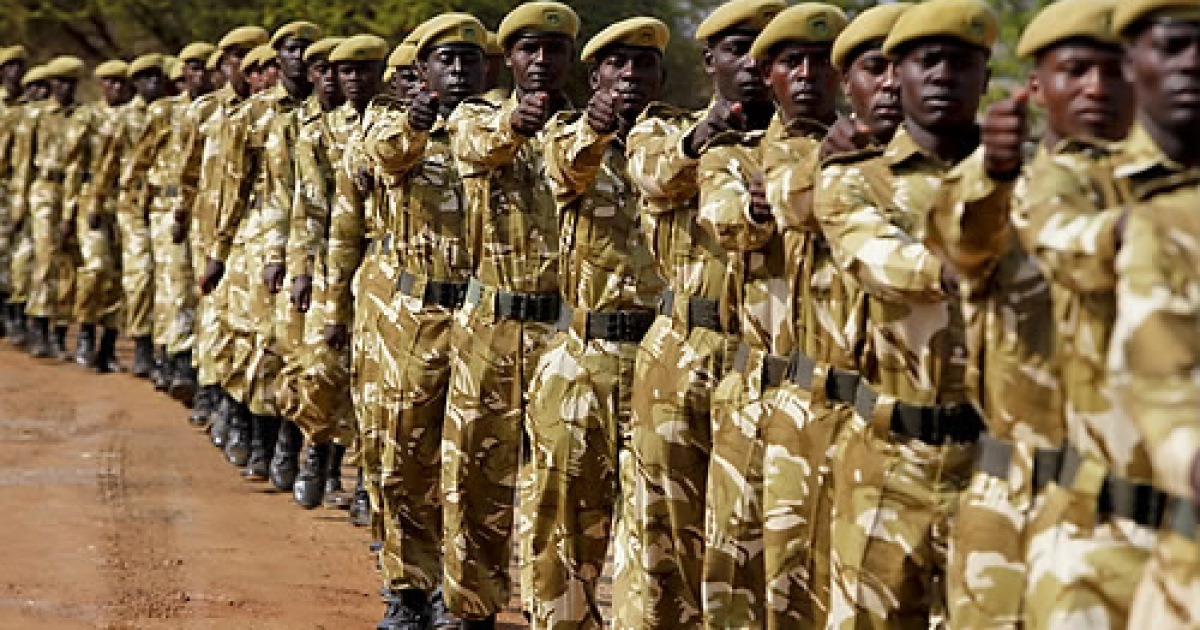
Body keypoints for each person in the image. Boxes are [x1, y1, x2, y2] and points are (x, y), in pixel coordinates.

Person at [929, 1, 1135, 625]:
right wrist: (995, 172)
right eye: (1077, 71)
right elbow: (961, 249)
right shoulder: (992, 183)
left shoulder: (1165, 187)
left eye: (1115, 71)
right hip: (1011, 499)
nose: (1097, 87)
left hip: (1128, 511)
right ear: (1039, 88)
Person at [814, 1, 997, 625]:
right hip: (890, 458)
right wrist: (966, 266)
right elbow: (880, 263)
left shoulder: (1031, 181)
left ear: (986, 76)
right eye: (928, 61)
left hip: (996, 466)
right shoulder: (854, 179)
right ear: (898, 74)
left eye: (962, 63)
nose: (944, 75)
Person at [622, 1, 780, 626]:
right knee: (663, 525)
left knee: (749, 533)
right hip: (680, 349)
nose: (752, 63)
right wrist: (705, 135)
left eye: (765, 50)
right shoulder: (663, 132)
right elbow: (654, 176)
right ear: (708, 59)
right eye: (737, 48)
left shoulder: (813, 145)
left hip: (765, 361)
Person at [522, 15, 669, 628]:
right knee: (565, 530)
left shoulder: (680, 143)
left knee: (657, 531)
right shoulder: (564, 135)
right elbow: (562, 173)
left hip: (661, 361)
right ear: (595, 76)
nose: (631, 76)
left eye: (644, 65)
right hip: (582, 357)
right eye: (618, 65)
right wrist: (598, 129)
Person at [438, 3, 578, 625]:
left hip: (565, 330)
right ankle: (472, 607)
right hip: (488, 325)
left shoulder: (590, 129)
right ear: (510, 59)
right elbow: (479, 147)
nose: (542, 61)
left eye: (554, 50)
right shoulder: (476, 116)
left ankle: (557, 610)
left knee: (561, 485)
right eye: (529, 50)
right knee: (473, 475)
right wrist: (519, 124)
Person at [170, 26, 268, 435]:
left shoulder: (270, 114)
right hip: (207, 224)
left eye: (253, 60)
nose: (244, 69)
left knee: (241, 316)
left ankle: (232, 395)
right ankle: (211, 391)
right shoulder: (205, 111)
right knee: (213, 309)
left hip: (252, 227)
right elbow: (188, 170)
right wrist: (180, 212)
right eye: (236, 60)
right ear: (225, 65)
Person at [23, 56, 88, 360]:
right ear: (50, 84)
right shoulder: (36, 115)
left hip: (74, 193)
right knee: (46, 259)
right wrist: (20, 201)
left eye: (70, 84)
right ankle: (39, 328)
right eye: (59, 83)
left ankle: (61, 333)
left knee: (69, 264)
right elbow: (24, 160)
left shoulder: (82, 116)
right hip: (44, 190)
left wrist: (73, 207)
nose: (64, 89)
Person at [74, 59, 132, 372]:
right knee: (95, 269)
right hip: (92, 201)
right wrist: (72, 209)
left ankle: (108, 346)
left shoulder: (135, 116)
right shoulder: (89, 117)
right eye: (111, 82)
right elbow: (74, 163)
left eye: (122, 82)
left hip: (124, 204)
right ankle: (85, 330)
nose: (117, 88)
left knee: (119, 278)